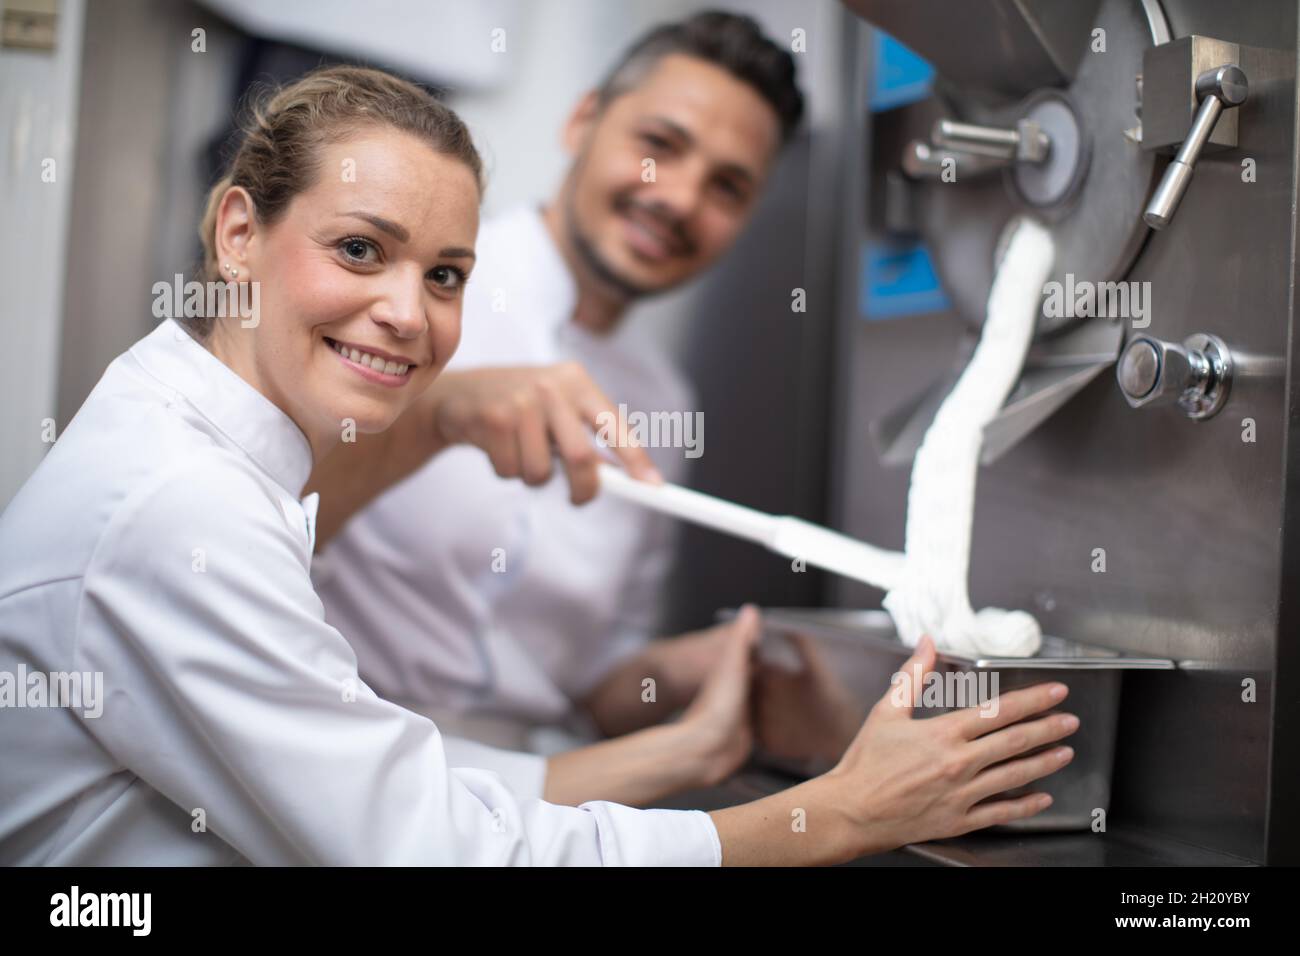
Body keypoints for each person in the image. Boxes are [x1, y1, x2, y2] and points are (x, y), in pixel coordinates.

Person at [0, 65, 1078, 866]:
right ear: (238, 231)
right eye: (359, 249)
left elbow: (363, 774)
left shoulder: (203, 450)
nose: (407, 315)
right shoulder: (182, 504)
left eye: (446, 275)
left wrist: (680, 736)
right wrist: (835, 814)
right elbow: (422, 844)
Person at [309, 11, 809, 806]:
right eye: (660, 146)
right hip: (328, 764)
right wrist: (441, 412)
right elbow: (260, 514)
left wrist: (688, 668)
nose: (678, 198)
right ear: (583, 120)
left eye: (727, 186)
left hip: (532, 802)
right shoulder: (412, 296)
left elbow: (594, 690)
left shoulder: (663, 404)